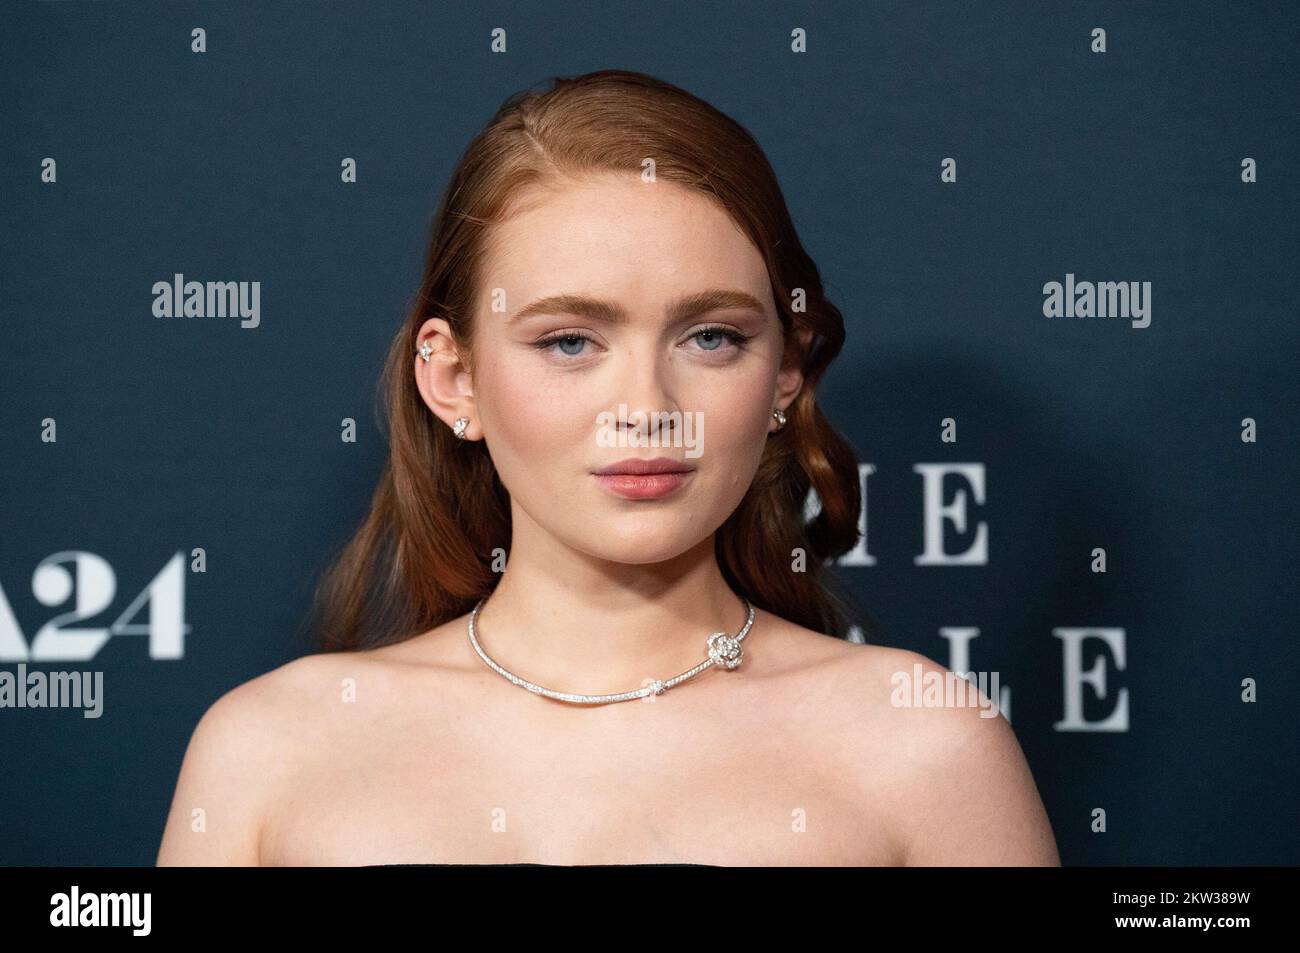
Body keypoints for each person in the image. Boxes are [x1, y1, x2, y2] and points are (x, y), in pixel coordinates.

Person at [157, 69, 1059, 867]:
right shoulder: (269, 751)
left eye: (712, 336)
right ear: (454, 377)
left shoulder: (922, 744)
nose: (647, 405)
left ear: (785, 371)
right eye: (570, 341)